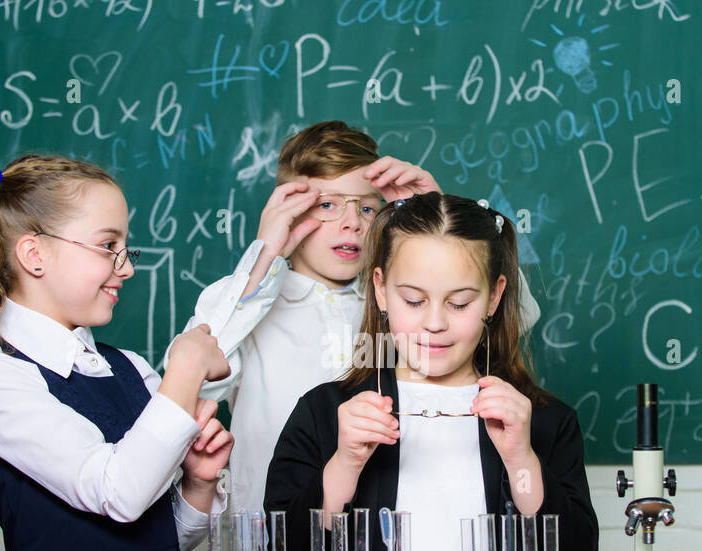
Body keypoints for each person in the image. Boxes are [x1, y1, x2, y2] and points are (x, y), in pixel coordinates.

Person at [0, 154, 232, 551]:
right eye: (108, 246)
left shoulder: (131, 370)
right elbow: (118, 494)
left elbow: (156, 544)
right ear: (34, 255)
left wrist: (198, 485)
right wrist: (185, 369)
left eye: (126, 247)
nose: (125, 268)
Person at [164, 120, 541, 520]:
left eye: (366, 207)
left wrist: (440, 219)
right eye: (327, 205)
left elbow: (514, 315)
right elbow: (194, 380)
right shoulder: (249, 297)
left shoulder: (397, 303)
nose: (352, 223)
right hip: (268, 538)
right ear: (287, 211)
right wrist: (263, 258)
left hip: (378, 534)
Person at [264, 192, 597, 551]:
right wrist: (344, 464)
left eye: (459, 303)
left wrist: (522, 462)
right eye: (414, 301)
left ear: (495, 297)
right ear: (381, 290)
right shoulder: (327, 412)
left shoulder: (541, 419)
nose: (435, 323)